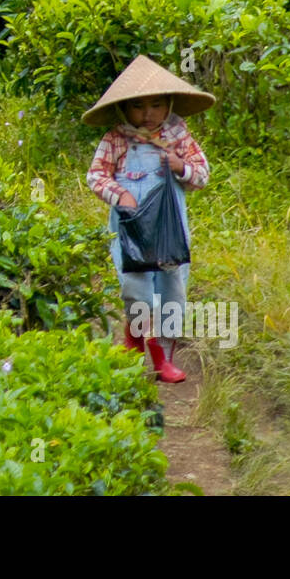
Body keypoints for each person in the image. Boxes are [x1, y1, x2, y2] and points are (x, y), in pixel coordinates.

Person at [83, 55, 214, 383]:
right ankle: (134, 339)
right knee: (137, 288)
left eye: (156, 105)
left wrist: (180, 167)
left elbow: (202, 175)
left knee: (172, 289)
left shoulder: (178, 136)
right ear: (124, 108)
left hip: (170, 229)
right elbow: (96, 176)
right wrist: (121, 195)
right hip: (130, 231)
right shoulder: (116, 139)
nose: (148, 113)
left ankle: (163, 358)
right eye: (139, 106)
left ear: (169, 104)